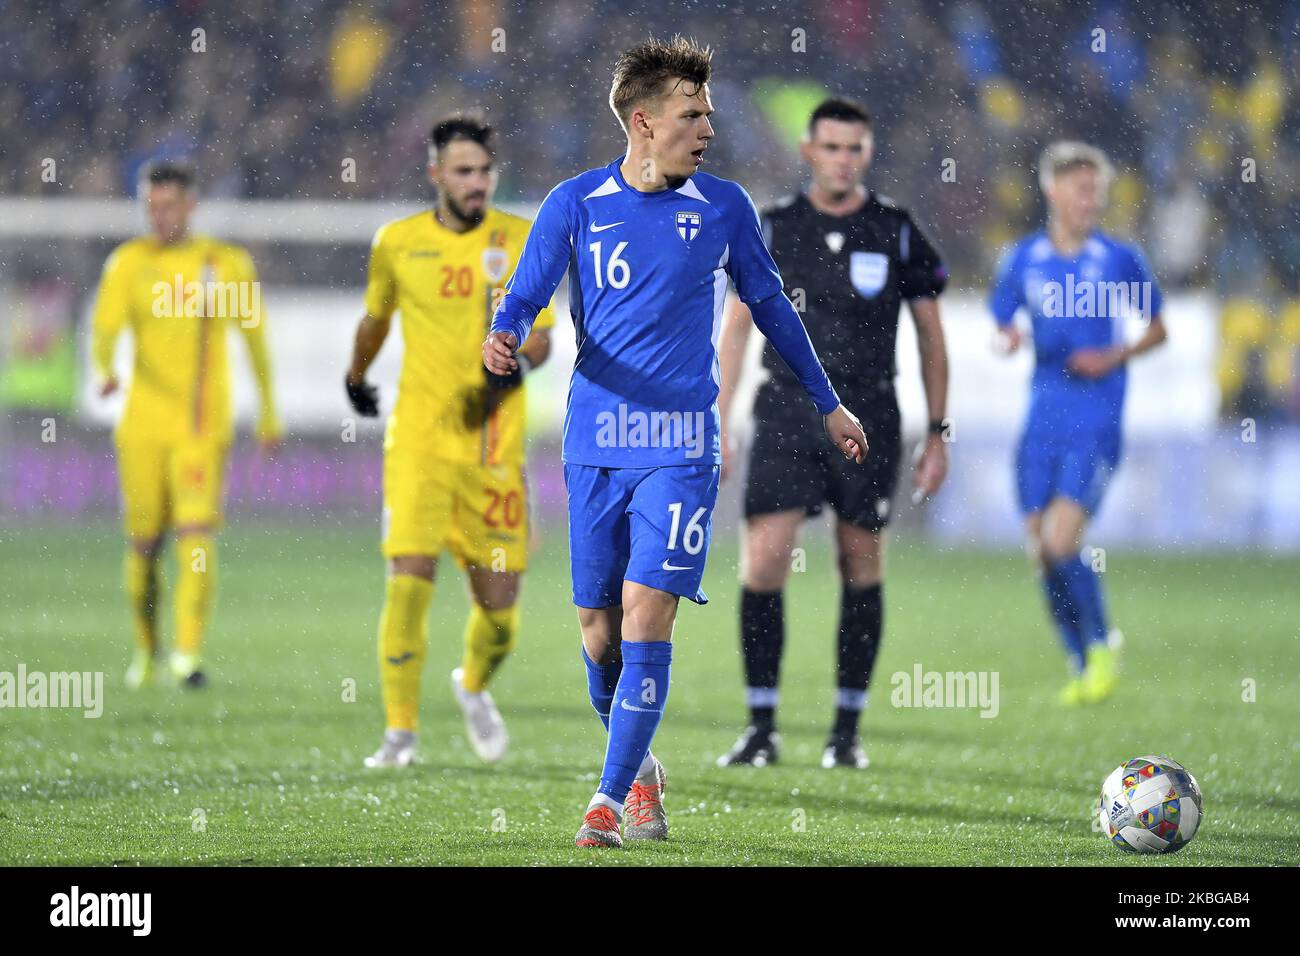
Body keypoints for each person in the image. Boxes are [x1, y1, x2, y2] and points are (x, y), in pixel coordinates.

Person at [484, 36, 868, 848]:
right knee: (597, 631)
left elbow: (770, 306)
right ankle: (642, 771)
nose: (707, 130)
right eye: (693, 115)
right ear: (642, 121)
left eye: (710, 115)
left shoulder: (724, 207)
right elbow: (525, 293)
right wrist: (504, 334)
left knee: (644, 614)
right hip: (595, 441)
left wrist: (829, 402)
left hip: (681, 444)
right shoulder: (575, 203)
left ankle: (605, 801)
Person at [716, 97, 950, 770]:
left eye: (855, 149)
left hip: (869, 416)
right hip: (786, 412)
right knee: (763, 560)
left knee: (860, 561)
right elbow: (735, 330)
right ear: (808, 151)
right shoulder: (773, 227)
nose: (843, 160)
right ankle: (762, 727)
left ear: (866, 155)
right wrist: (721, 421)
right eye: (832, 147)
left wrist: (938, 432)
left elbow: (933, 340)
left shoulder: (897, 230)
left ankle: (845, 733)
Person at [347, 115, 555, 768]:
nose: (476, 183)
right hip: (418, 446)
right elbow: (376, 317)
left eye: (485, 172)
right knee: (408, 580)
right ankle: (399, 733)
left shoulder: (523, 239)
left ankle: (471, 683)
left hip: (494, 453)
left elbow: (545, 339)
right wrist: (356, 376)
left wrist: (510, 365)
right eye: (462, 172)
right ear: (435, 174)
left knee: (499, 614)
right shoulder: (398, 242)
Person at [91, 161, 281, 689]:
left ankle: (187, 654)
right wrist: (105, 370)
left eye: (169, 205)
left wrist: (268, 411)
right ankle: (147, 650)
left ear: (192, 205)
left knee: (196, 534)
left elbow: (254, 339)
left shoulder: (223, 264)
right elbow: (105, 330)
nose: (160, 216)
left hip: (202, 427)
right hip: (142, 428)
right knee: (144, 546)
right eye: (151, 207)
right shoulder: (128, 264)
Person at [989, 141, 1166, 705]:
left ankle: (1100, 646)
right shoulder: (1022, 259)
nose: (1093, 199)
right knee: (1040, 551)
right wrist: (1008, 338)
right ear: (1053, 190)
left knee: (1063, 540)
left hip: (1096, 417)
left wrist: (1113, 357)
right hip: (1042, 417)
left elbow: (1157, 327)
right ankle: (1078, 657)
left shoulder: (1118, 258)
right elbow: (1000, 326)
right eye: (1082, 189)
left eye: (1098, 190)